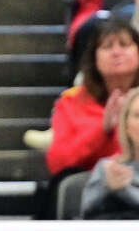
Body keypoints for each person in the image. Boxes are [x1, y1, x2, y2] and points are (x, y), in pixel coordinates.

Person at [47, 18, 139, 177]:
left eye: (124, 45)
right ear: (94, 58)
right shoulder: (72, 102)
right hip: (91, 186)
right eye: (107, 46)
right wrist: (102, 130)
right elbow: (58, 164)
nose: (116, 52)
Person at [82, 86, 139, 217]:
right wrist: (107, 188)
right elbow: (86, 211)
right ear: (126, 126)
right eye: (138, 115)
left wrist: (124, 190)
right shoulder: (108, 168)